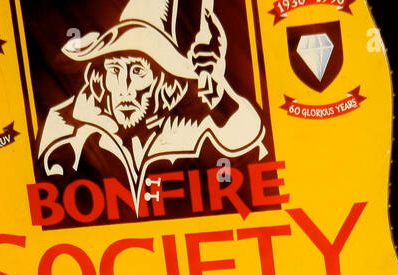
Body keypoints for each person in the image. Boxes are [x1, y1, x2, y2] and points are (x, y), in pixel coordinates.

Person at [38, 0, 267, 211]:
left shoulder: (192, 124)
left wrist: (220, 87)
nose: (124, 86)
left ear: (164, 80)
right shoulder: (67, 125)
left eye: (138, 71)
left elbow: (254, 157)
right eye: (115, 70)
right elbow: (41, 197)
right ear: (100, 74)